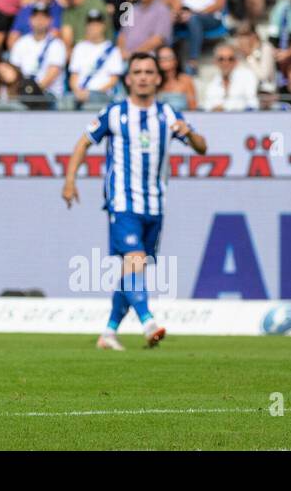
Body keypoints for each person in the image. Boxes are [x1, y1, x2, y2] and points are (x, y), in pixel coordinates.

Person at [62, 52, 207, 351]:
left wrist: (190, 133)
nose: (142, 77)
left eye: (148, 72)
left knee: (133, 271)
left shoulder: (168, 115)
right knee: (135, 261)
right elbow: (83, 142)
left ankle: (109, 333)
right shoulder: (114, 114)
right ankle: (148, 321)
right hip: (122, 202)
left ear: (157, 78)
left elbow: (203, 148)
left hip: (155, 206)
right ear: (128, 79)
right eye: (137, 71)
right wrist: (69, 180)